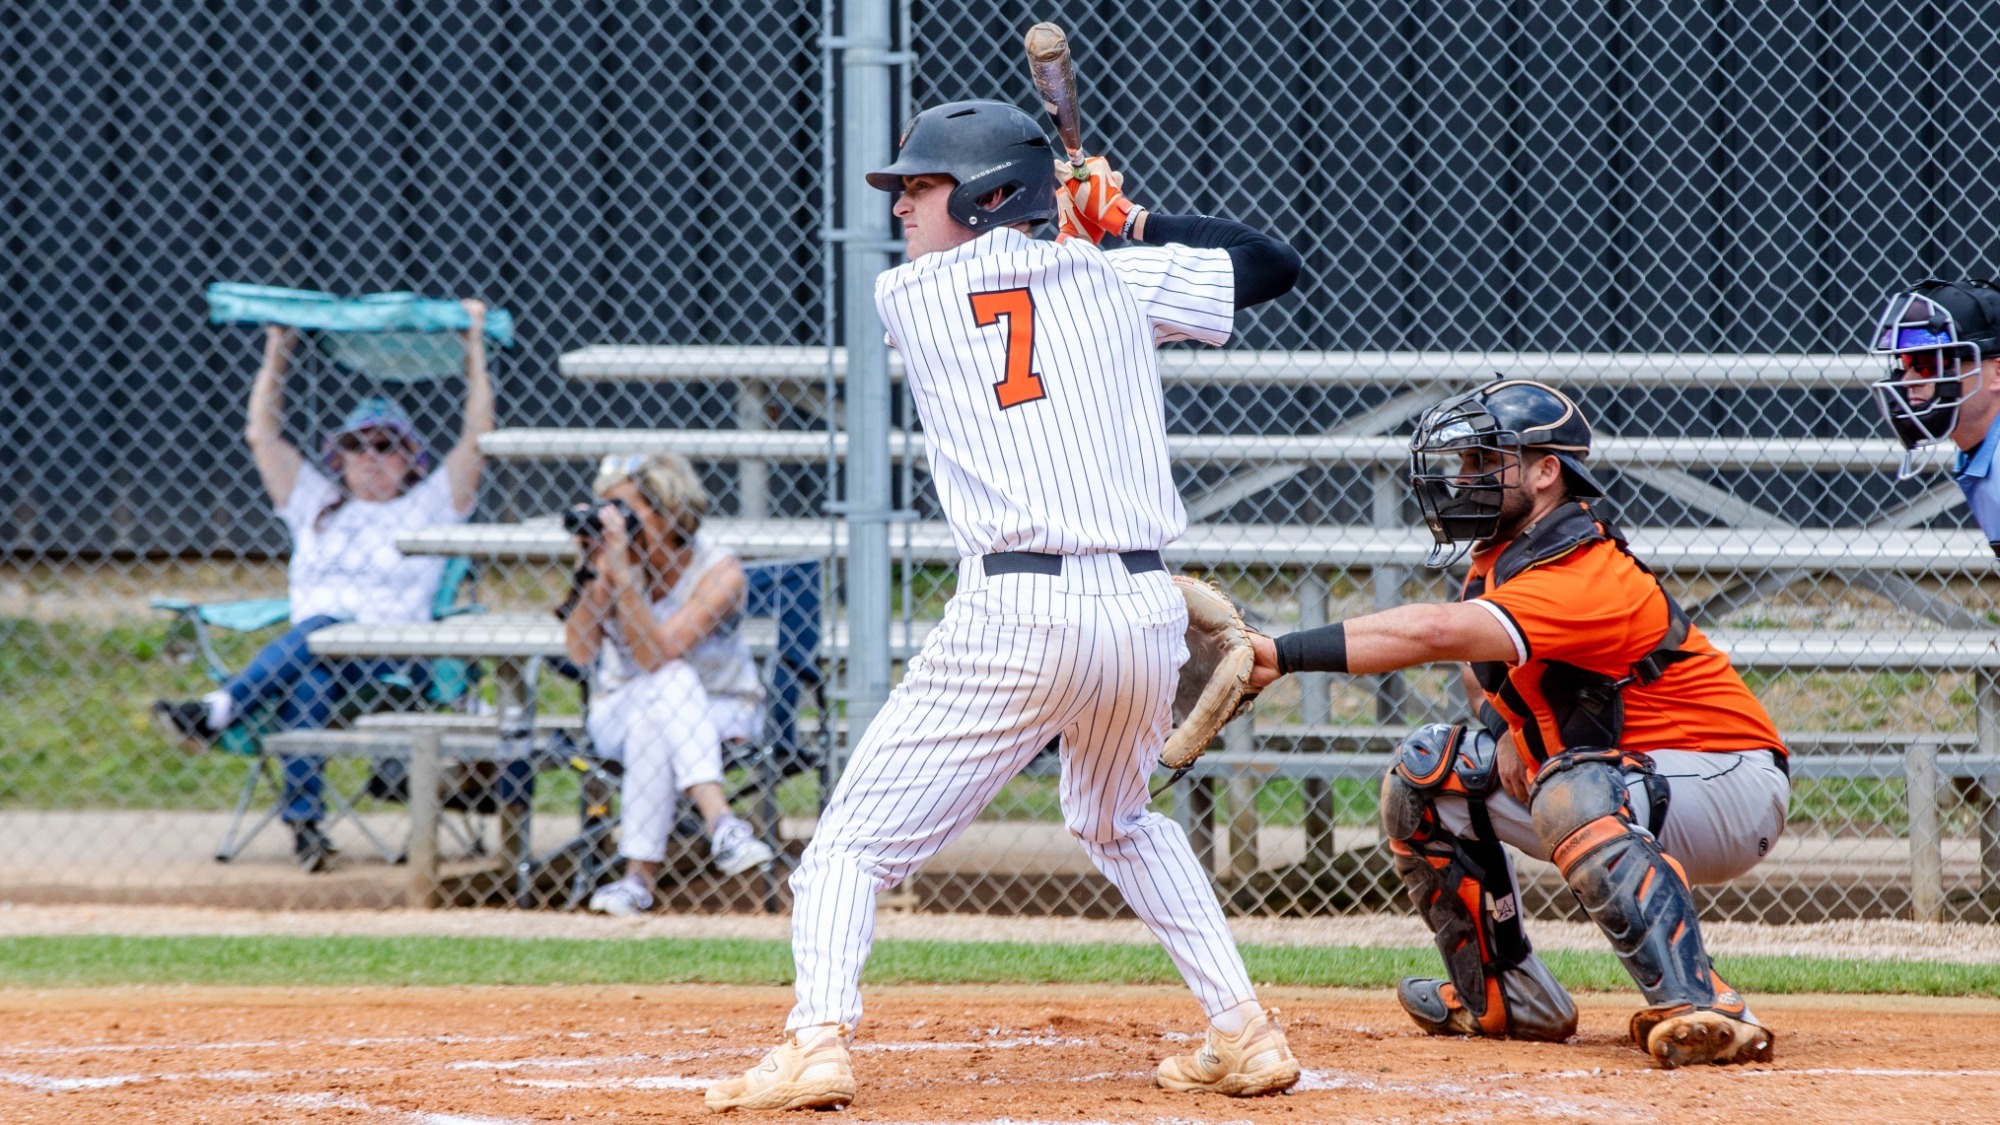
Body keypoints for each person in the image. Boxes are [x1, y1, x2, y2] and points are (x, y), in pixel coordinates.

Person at [705, 100, 1303, 1113]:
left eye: (921, 188)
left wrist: (1080, 225)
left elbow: (1038, 276)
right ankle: (1242, 1030)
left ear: (985, 200)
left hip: (1017, 614)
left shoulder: (914, 293)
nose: (900, 209)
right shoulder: (1109, 277)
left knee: (850, 843)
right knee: (1117, 820)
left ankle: (814, 1041)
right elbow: (1272, 264)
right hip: (1140, 608)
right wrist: (1129, 220)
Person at [1247, 378, 1787, 1069]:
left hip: (1728, 780)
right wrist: (1504, 726)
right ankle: (1505, 995)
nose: (1463, 478)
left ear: (1545, 471)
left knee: (1571, 785)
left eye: (1483, 461)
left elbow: (1437, 631)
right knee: (1426, 773)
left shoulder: (1585, 570)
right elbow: (1480, 666)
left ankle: (1703, 1004)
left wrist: (1284, 653)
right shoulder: (1501, 562)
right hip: (1627, 783)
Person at [152, 303, 493, 872]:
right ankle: (307, 828)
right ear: (339, 455)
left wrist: (475, 346)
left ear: (412, 458)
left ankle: (221, 708)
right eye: (357, 446)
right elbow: (261, 433)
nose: (370, 457)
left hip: (390, 661)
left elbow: (478, 437)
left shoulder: (430, 506)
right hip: (315, 660)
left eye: (387, 445)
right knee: (311, 672)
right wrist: (277, 349)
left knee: (322, 631)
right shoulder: (317, 505)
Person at [561, 452, 776, 913]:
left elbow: (655, 654)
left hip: (722, 708)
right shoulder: (610, 564)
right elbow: (579, 651)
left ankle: (637, 882)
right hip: (619, 704)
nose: (615, 524)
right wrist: (601, 574)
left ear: (667, 513)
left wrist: (623, 578)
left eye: (626, 512)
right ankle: (722, 822)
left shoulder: (720, 571)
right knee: (667, 687)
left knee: (657, 713)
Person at [1864, 278, 2000, 549]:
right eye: (1907, 363)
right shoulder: (1980, 451)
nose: (1908, 380)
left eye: (1930, 363)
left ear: (1997, 373)